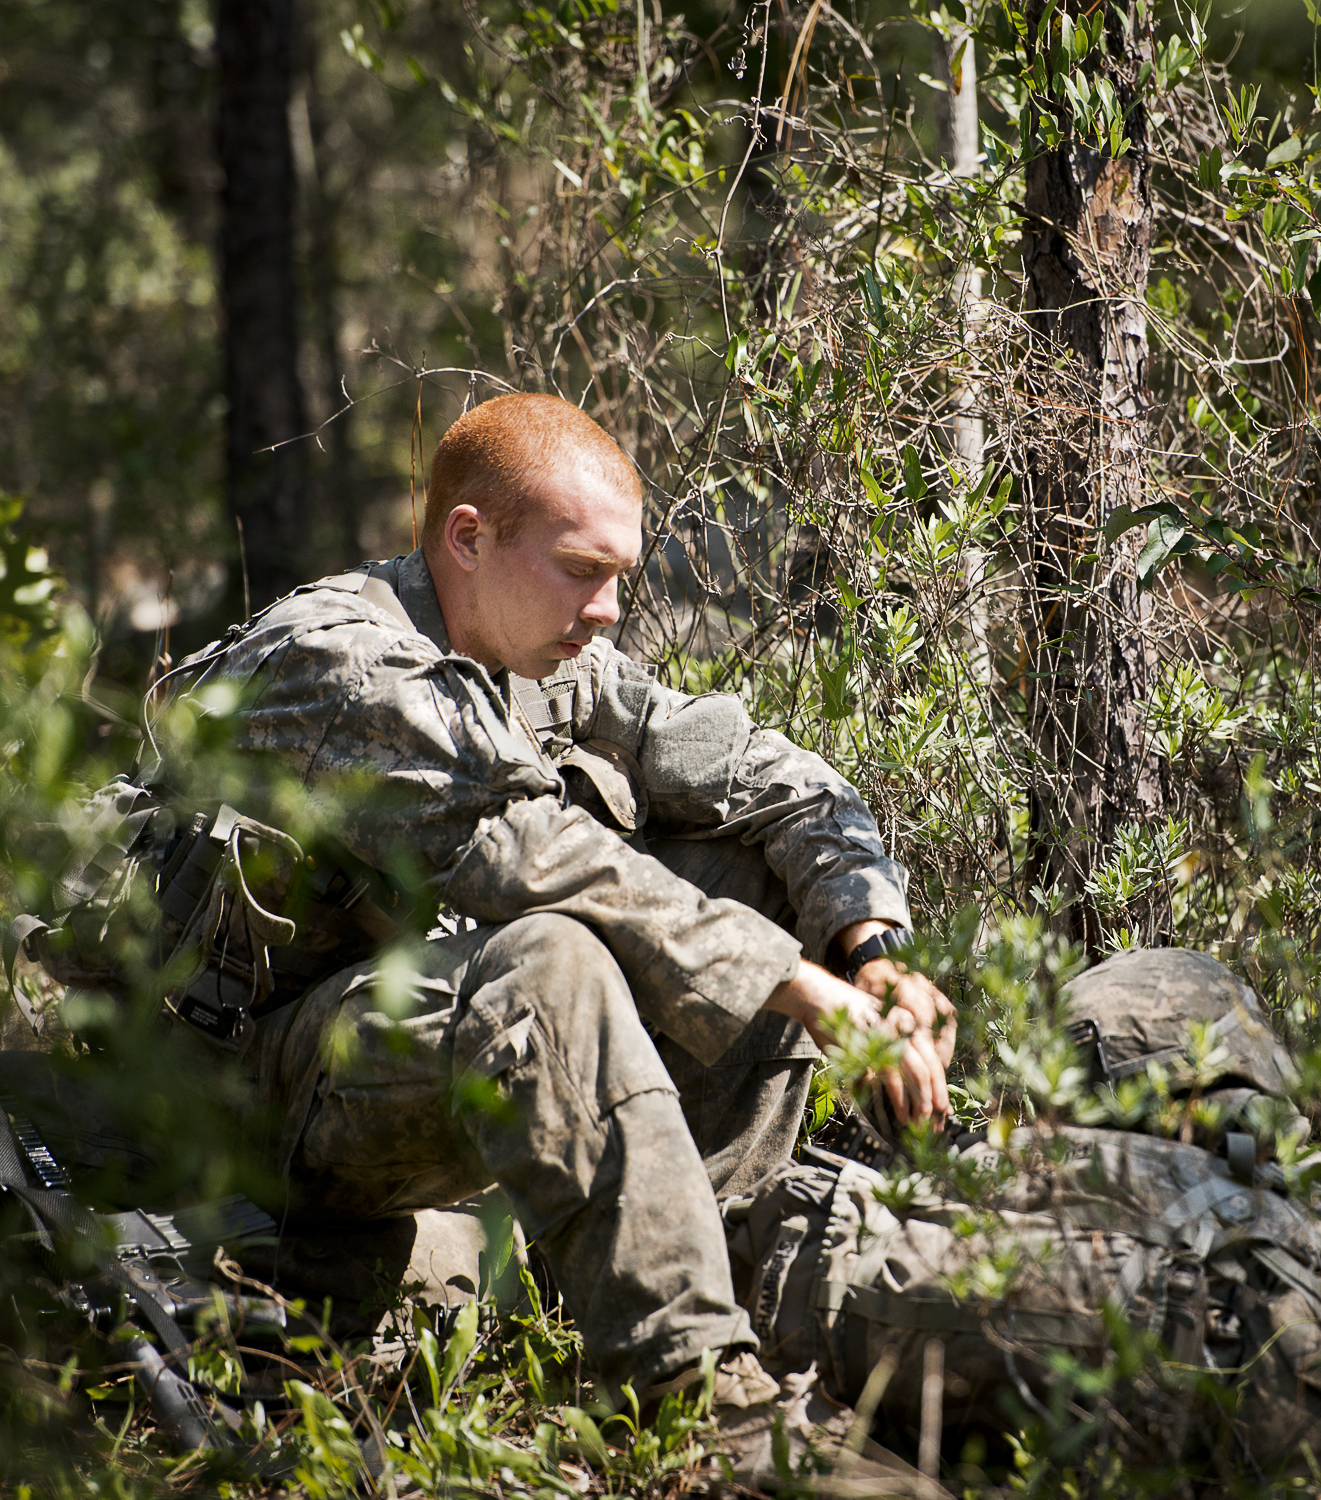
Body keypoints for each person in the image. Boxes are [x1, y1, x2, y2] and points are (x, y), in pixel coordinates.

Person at [70, 392, 956, 1478]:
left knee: (743, 873)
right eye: (585, 570)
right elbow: (543, 860)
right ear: (470, 538)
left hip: (388, 1052)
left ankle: (702, 1256)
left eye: (621, 576)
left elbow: (769, 778)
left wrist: (871, 952)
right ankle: (698, 1403)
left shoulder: (540, 652)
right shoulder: (341, 663)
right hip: (240, 1094)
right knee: (555, 956)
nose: (612, 609)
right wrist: (810, 997)